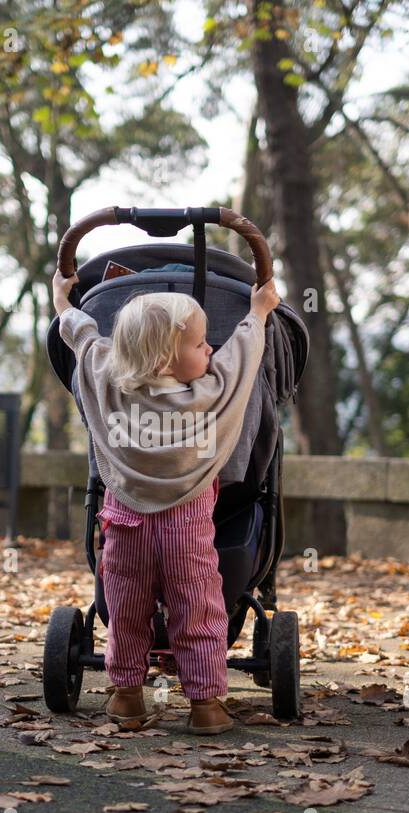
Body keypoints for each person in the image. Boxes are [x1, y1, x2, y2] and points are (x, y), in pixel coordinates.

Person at [51, 270, 281, 734]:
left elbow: (83, 338)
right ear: (165, 356)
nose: (210, 349)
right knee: (198, 609)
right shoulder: (209, 397)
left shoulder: (107, 385)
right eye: (199, 345)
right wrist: (257, 312)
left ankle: (127, 696)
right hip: (187, 531)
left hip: (125, 527)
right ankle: (206, 704)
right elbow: (242, 356)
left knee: (126, 610)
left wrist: (62, 301)